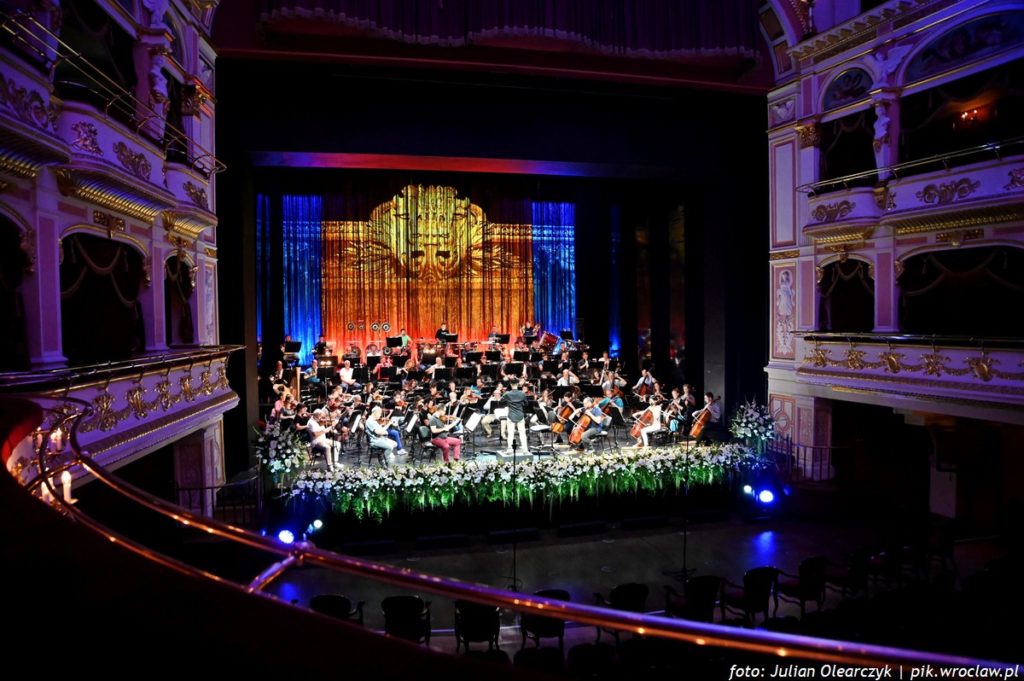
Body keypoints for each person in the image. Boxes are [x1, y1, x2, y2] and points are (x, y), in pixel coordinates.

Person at [502, 377, 530, 456]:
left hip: (511, 415)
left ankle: (510, 449)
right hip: (520, 415)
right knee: (522, 433)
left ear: (511, 384)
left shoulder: (507, 394)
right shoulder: (522, 393)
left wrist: (508, 401)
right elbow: (526, 403)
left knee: (510, 433)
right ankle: (525, 449)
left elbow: (501, 400)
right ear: (518, 384)